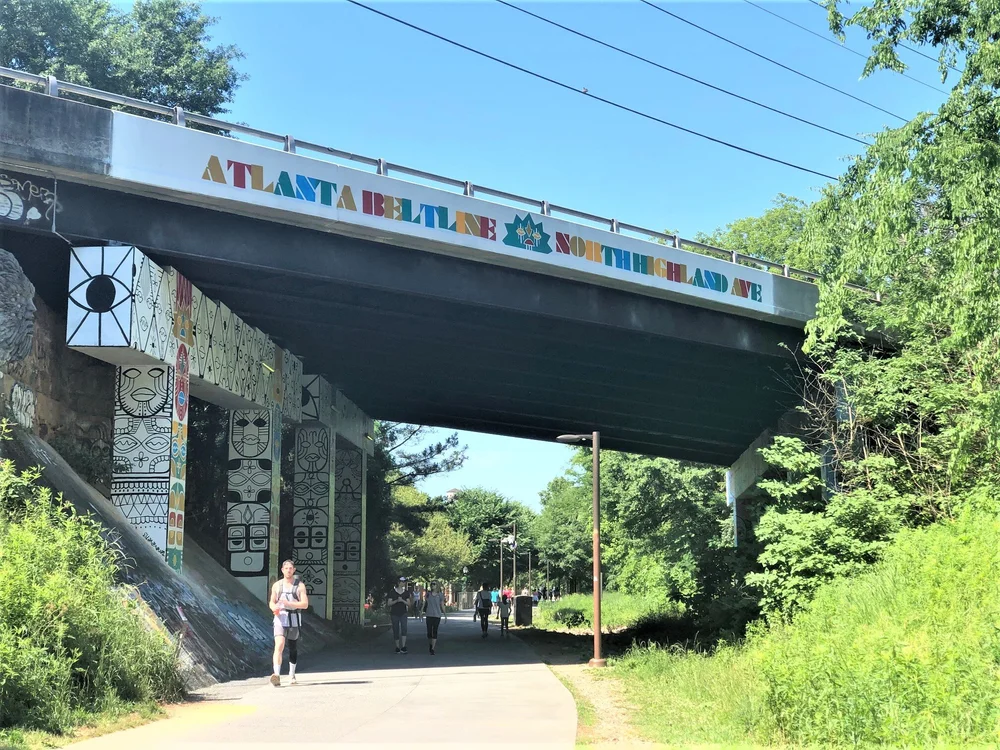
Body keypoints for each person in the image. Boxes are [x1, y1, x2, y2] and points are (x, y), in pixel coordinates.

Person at [269, 559, 309, 686]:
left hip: (294, 618)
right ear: (282, 570)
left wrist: (289, 604)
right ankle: (277, 675)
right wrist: (273, 607)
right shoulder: (277, 585)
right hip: (280, 618)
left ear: (294, 570)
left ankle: (292, 675)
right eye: (286, 568)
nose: (288, 570)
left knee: (292, 647)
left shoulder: (300, 586)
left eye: (290, 568)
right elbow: (271, 601)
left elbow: (305, 604)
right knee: (279, 645)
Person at [388, 576, 412, 654]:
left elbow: (409, 604)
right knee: (396, 629)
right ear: (398, 582)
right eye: (402, 581)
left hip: (403, 613)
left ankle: (403, 646)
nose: (404, 583)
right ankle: (397, 647)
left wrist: (402, 600)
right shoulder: (392, 592)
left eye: (405, 581)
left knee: (404, 628)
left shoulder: (406, 592)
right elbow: (389, 603)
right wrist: (396, 601)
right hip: (394, 613)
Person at [424, 581, 447, 655]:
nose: (432, 585)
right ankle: (430, 644)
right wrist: (421, 611)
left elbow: (442, 605)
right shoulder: (428, 594)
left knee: (435, 631)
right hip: (429, 615)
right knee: (429, 632)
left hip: (437, 615)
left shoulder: (440, 595)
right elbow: (425, 603)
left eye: (434, 584)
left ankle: (433, 648)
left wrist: (445, 615)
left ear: (437, 585)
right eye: (431, 584)